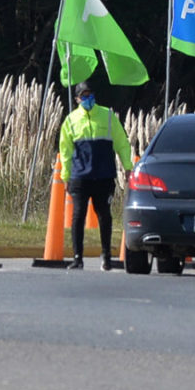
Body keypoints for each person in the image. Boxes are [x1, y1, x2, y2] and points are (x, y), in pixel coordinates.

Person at [56, 83, 136, 269]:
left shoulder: (107, 116)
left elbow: (122, 143)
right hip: (80, 177)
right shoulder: (71, 120)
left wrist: (127, 166)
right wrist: (65, 176)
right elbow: (65, 150)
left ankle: (106, 256)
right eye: (83, 96)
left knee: (104, 216)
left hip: (103, 176)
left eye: (90, 94)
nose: (87, 99)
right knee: (78, 216)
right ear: (77, 99)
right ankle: (77, 258)